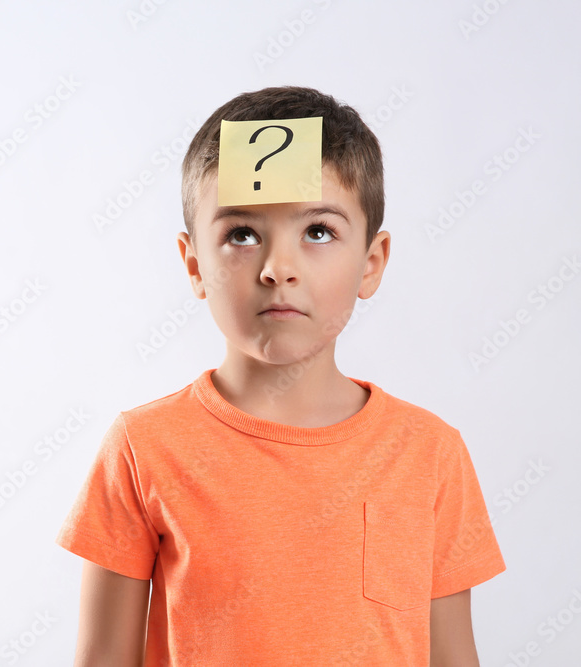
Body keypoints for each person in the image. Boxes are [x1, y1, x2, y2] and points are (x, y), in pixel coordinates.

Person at [54, 86, 506, 666]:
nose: (278, 268)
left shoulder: (431, 454)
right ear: (195, 265)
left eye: (318, 231)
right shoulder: (142, 449)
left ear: (371, 263)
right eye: (242, 234)